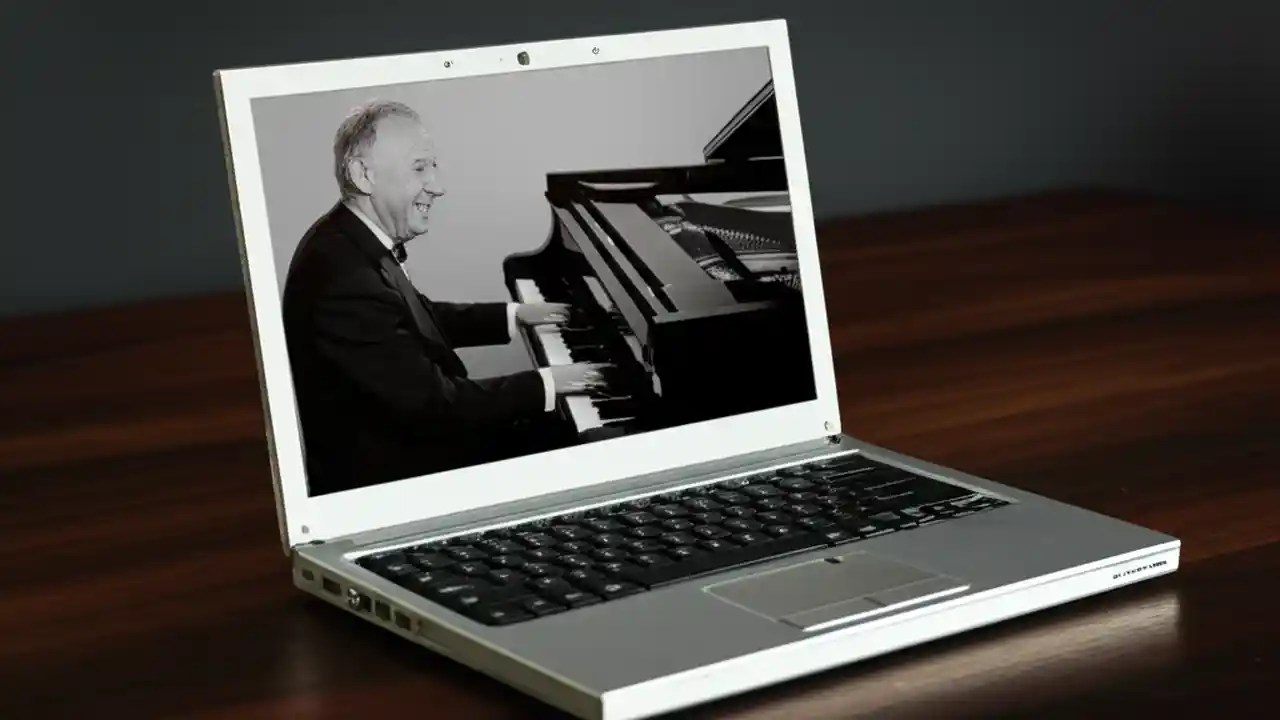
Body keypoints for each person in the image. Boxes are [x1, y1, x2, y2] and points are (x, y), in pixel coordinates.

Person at [281, 100, 608, 495]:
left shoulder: (347, 239)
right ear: (363, 174)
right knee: (577, 447)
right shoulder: (343, 278)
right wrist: (550, 383)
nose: (439, 185)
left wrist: (517, 314)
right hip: (398, 474)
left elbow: (414, 316)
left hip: (405, 440)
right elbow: (435, 407)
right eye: (420, 168)